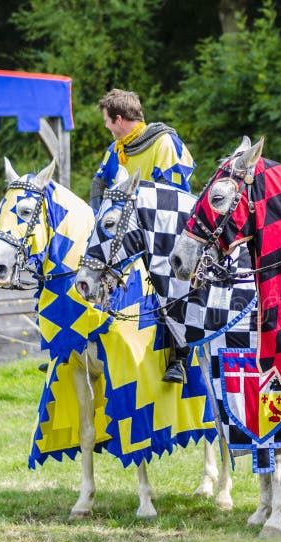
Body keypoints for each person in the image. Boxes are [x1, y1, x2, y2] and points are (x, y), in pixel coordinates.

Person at [91, 88, 196, 384]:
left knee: (172, 284)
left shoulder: (165, 143)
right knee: (96, 267)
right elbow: (100, 182)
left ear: (120, 118)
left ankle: (181, 356)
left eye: (108, 122)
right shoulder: (118, 148)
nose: (107, 128)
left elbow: (174, 193)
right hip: (128, 233)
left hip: (165, 231)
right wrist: (99, 218)